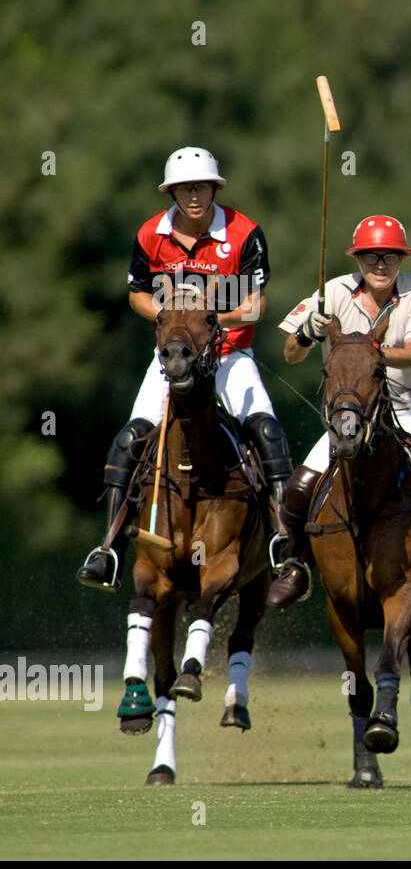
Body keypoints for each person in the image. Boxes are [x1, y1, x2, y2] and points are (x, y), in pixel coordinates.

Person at [76, 146, 292, 592]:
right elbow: (137, 293)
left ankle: (281, 540)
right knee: (129, 439)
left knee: (268, 432)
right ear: (171, 192)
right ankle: (109, 549)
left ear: (215, 189)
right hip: (172, 361)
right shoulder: (151, 233)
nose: (194, 196)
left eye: (202, 187)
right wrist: (169, 315)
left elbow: (255, 306)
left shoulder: (244, 233)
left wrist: (205, 317)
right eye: (185, 188)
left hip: (229, 356)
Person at [266, 215, 411, 613]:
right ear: (357, 259)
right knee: (297, 490)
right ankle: (296, 564)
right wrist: (307, 332)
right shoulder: (333, 291)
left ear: (401, 259)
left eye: (390, 257)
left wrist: (364, 354)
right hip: (351, 418)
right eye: (371, 256)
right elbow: (291, 354)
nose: (380, 265)